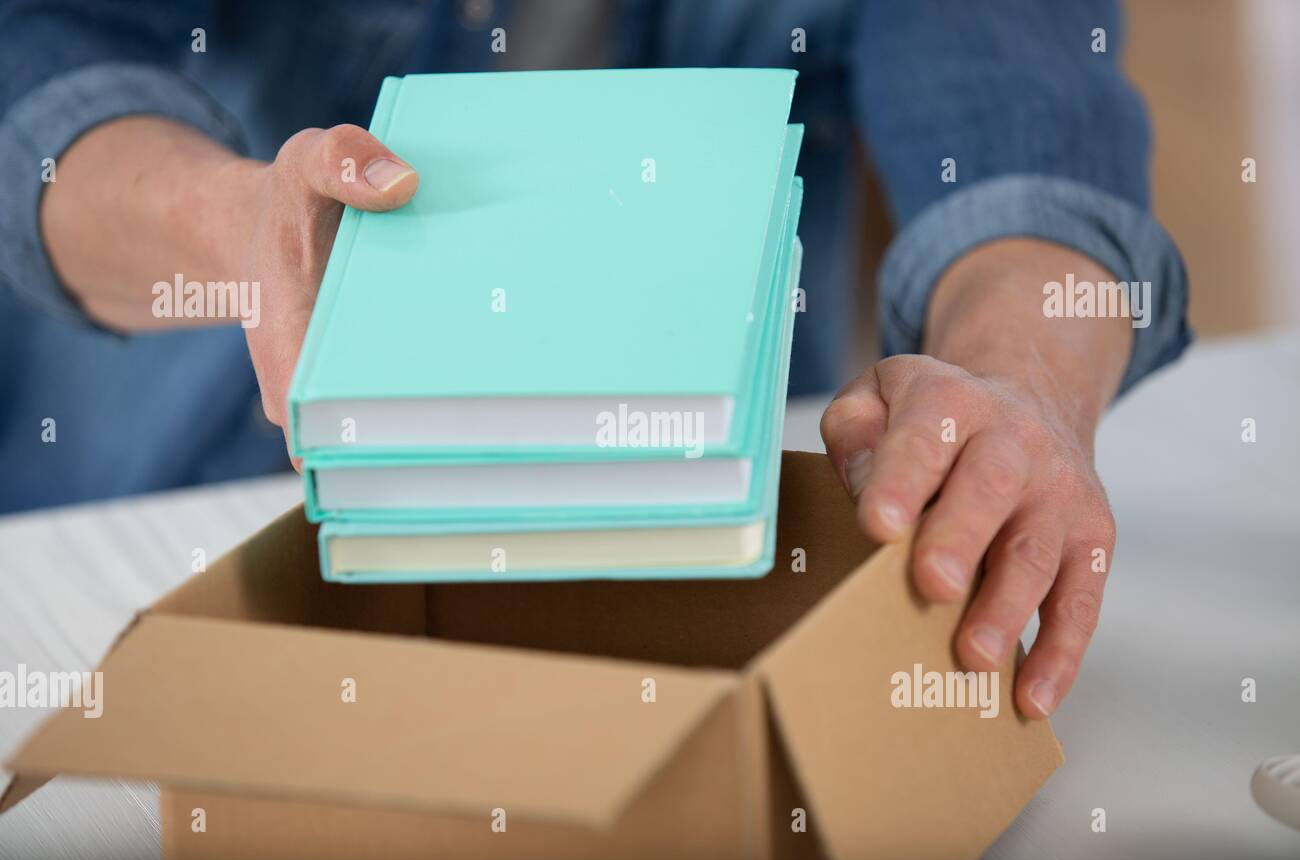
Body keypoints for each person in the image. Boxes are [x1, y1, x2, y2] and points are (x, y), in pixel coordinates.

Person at [0, 0, 1189, 719]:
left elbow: (1027, 126)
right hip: (125, 560)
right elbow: (33, 81)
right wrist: (232, 221)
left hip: (693, 580)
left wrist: (1015, 379)